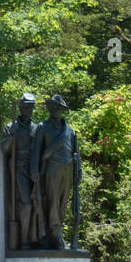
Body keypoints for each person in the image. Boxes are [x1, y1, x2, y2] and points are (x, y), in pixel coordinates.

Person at [32, 94, 80, 249]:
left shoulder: (70, 131)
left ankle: (57, 230)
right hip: (52, 168)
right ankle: (55, 232)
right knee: (52, 200)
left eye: (59, 107)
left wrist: (78, 171)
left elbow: (75, 153)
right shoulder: (42, 127)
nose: (56, 110)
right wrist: (34, 170)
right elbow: (36, 152)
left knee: (63, 202)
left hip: (68, 169)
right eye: (54, 106)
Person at [0, 93, 42, 249]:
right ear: (20, 107)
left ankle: (36, 237)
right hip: (18, 168)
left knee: (39, 204)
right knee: (26, 203)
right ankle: (24, 239)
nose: (28, 109)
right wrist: (10, 138)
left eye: (31, 106)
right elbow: (4, 150)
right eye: (25, 106)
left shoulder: (37, 128)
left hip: (35, 168)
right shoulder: (11, 127)